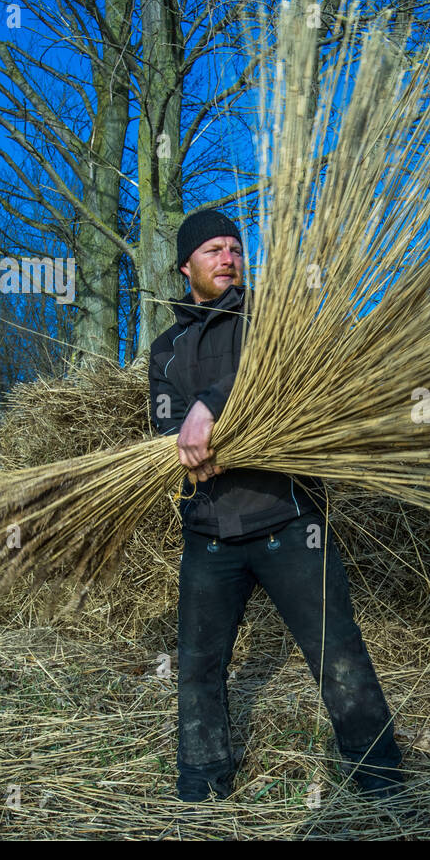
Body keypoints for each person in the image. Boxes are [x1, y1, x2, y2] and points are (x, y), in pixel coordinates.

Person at [148, 207, 404, 806]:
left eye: (236, 248)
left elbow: (277, 375)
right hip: (209, 529)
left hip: (288, 522)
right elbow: (161, 416)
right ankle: (203, 780)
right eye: (213, 250)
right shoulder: (167, 345)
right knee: (198, 664)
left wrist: (212, 406)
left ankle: (379, 775)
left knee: (334, 649)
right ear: (186, 266)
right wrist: (178, 441)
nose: (229, 258)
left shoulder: (269, 318)